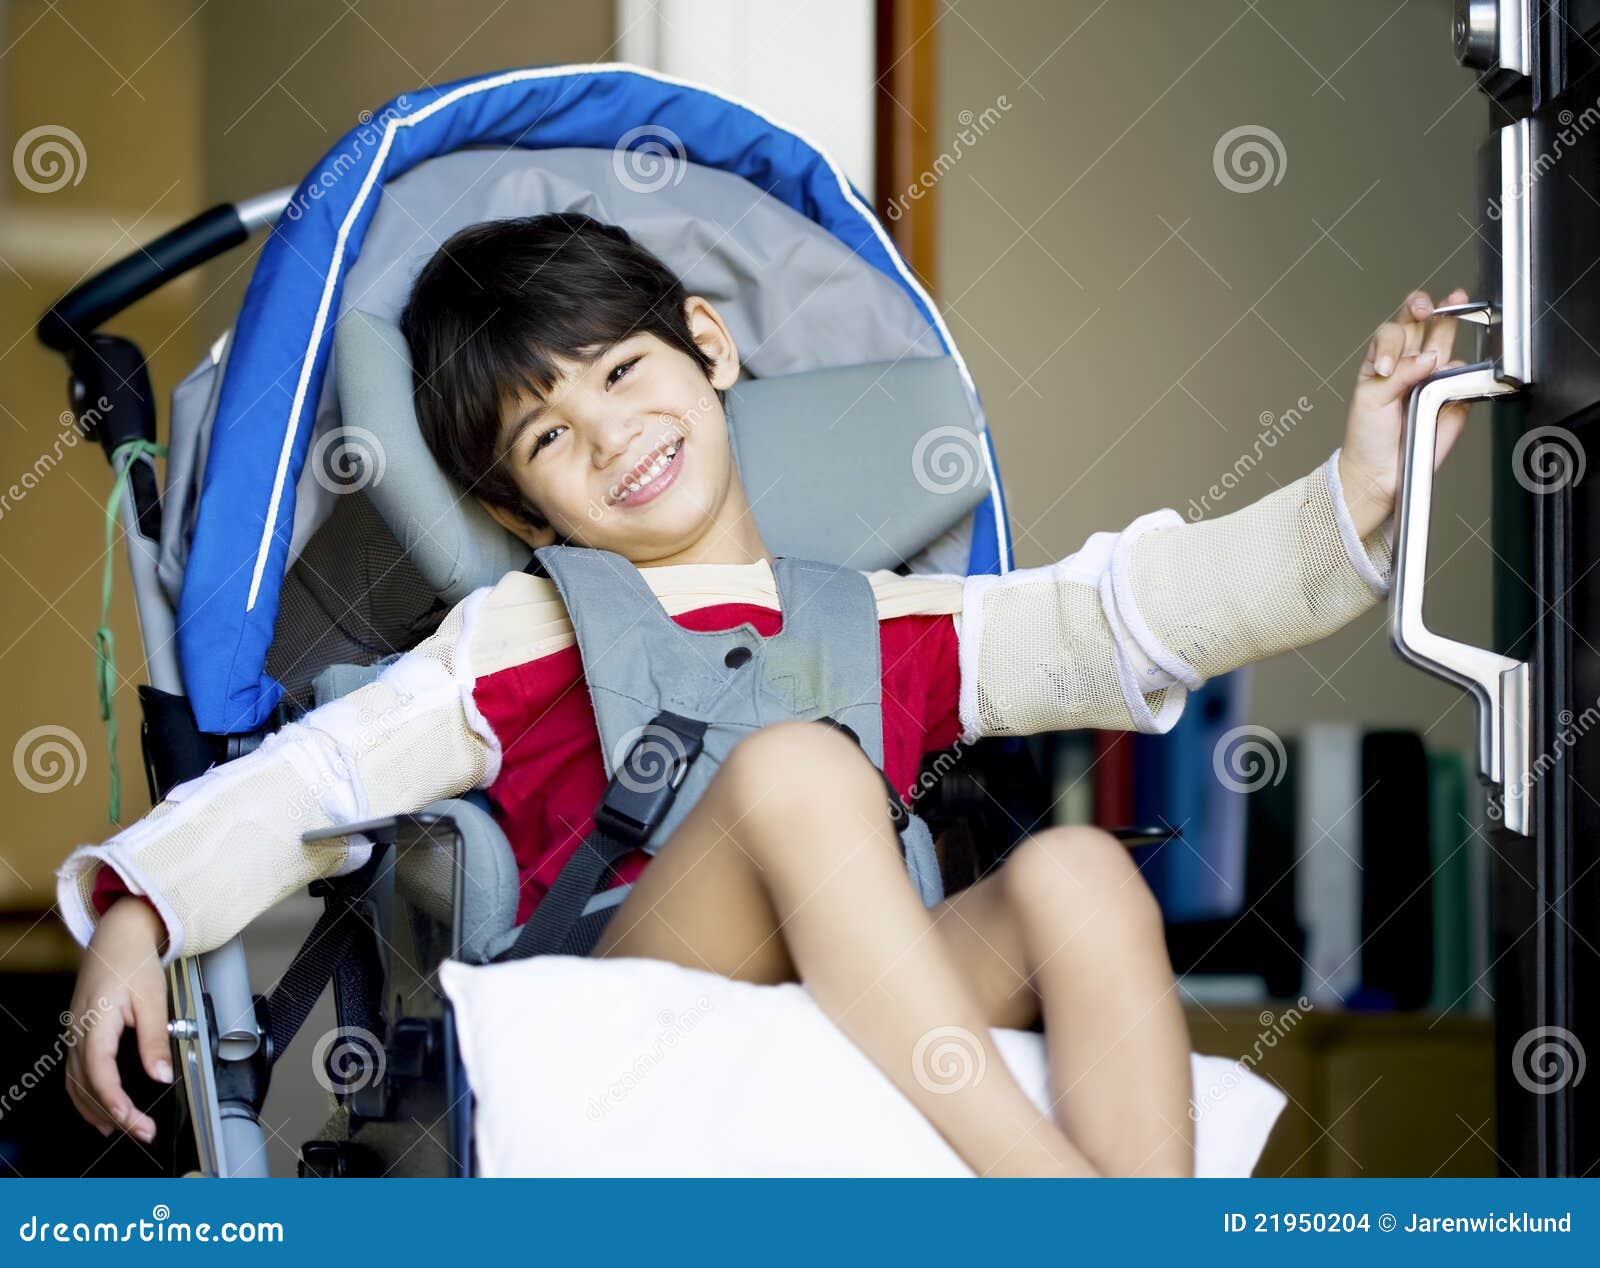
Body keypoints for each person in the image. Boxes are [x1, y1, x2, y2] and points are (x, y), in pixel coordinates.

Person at [58, 212, 1472, 1177]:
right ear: (522, 509)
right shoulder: (512, 632)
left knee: (1087, 871)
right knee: (801, 772)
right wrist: (142, 908)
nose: (614, 433)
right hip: (632, 983)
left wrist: (1356, 486)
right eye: (552, 433)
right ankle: (1061, 1214)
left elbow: (1123, 618)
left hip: (876, 982)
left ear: (709, 349)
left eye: (624, 370)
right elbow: (315, 777)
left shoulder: (892, 619)